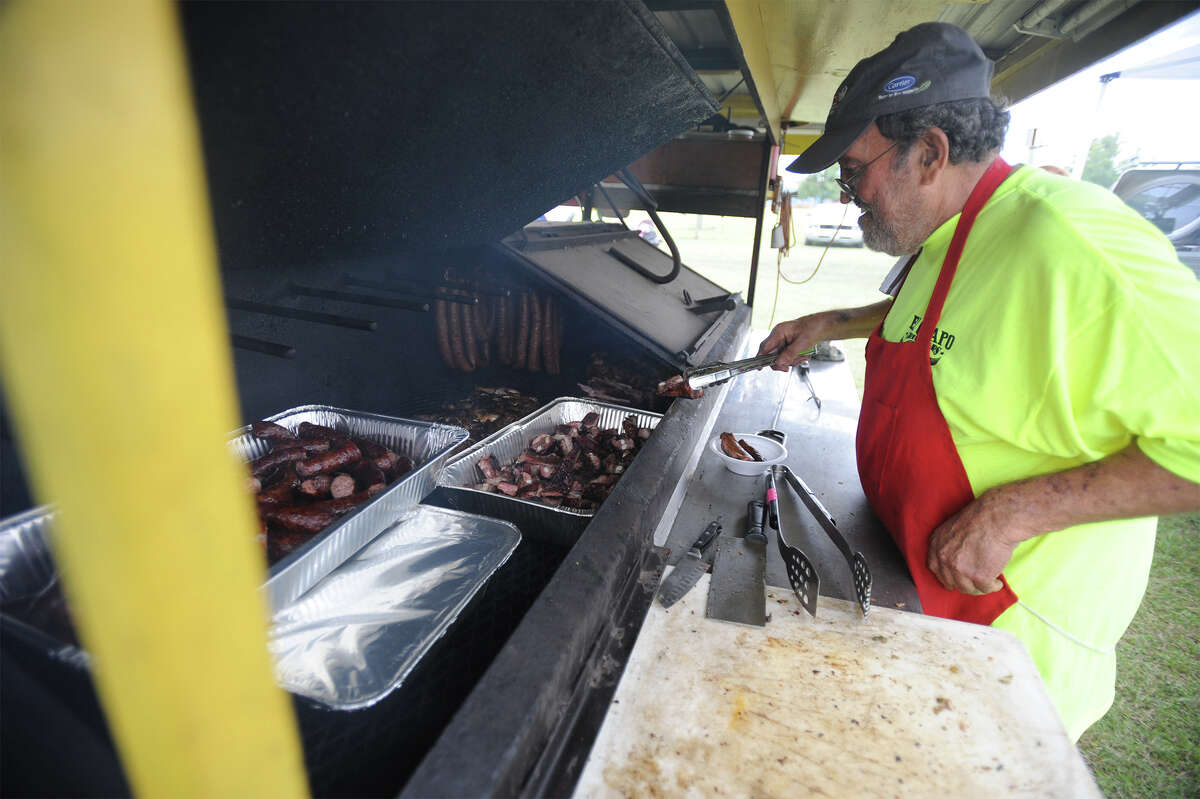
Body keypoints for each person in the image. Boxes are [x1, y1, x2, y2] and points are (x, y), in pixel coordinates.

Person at [760, 21, 1200, 741]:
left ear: (928, 152)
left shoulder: (1071, 241)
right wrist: (832, 321)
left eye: (855, 170)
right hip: (921, 605)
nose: (848, 195)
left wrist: (1015, 513)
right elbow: (944, 322)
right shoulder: (953, 234)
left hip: (1011, 657)